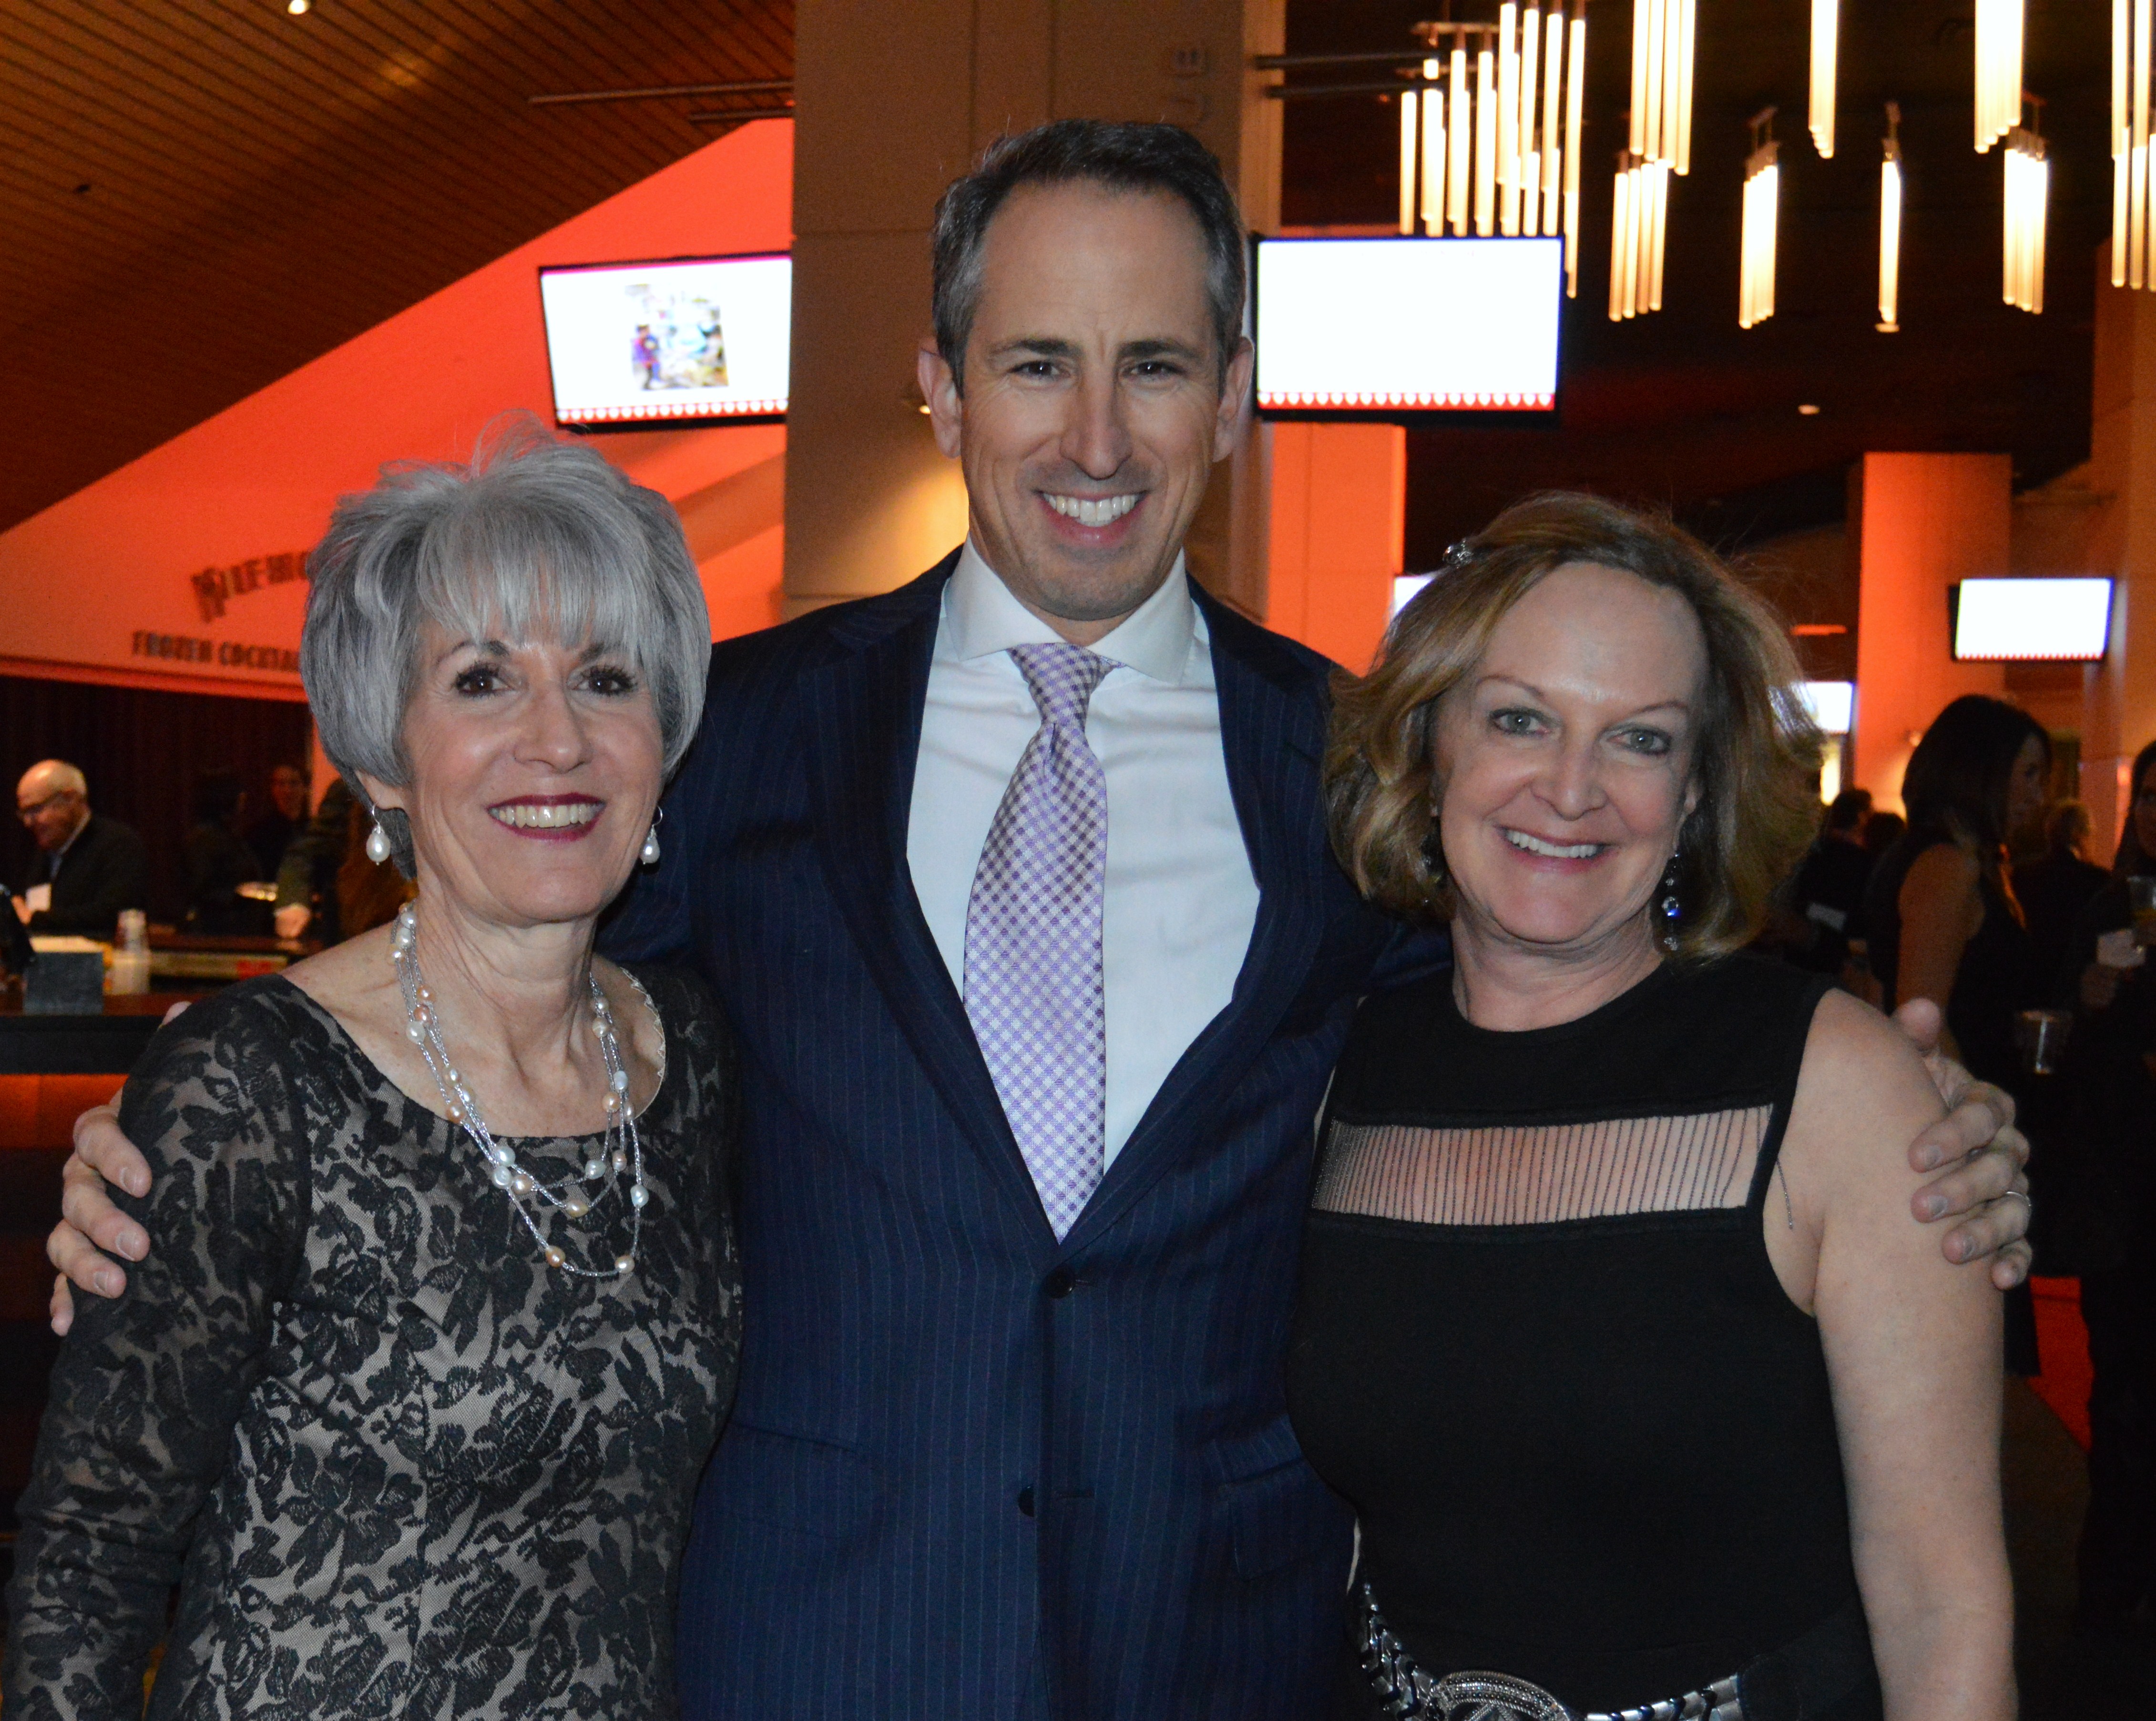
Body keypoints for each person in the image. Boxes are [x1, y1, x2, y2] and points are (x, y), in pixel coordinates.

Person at [45, 122, 2034, 1721]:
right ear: (938, 385)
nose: (1095, 438)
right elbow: (512, 977)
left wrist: (1905, 1132)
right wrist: (217, 1129)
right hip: (813, 1652)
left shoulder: (1351, 771)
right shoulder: (731, 736)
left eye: (1152, 366)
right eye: (1034, 364)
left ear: (1230, 400)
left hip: (1216, 1652)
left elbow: (1554, 1005)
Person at [6, 429, 741, 1719]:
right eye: (481, 680)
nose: (558, 738)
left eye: (606, 677)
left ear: (664, 737)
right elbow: (90, 1558)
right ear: (383, 756)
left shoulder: (693, 1058)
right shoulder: (252, 1083)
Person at [1297, 497, 2011, 1721]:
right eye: (1518, 719)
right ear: (1428, 745)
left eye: (1639, 740)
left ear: (1692, 795)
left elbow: (1942, 1605)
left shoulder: (1831, 1082)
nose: (1570, 788)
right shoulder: (1349, 1068)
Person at [2056, 737, 2156, 1641]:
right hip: (2124, 1184)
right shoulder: (2107, 904)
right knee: (2121, 1386)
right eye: (2150, 797)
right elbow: (2071, 1057)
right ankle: (2111, 1578)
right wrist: (2086, 1002)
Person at [11, 760, 149, 938]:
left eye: (36, 809)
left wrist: (35, 919)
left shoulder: (118, 845)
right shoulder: (44, 853)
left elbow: (113, 917)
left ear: (70, 799)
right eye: (24, 813)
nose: (28, 822)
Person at [2017, 798, 2111, 988]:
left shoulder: (2022, 875)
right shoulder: (2098, 880)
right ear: (2080, 835)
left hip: (2030, 979)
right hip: (2078, 983)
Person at [1787, 786, 1875, 974]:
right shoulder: (1859, 861)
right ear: (1861, 817)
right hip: (1838, 958)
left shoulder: (1809, 856)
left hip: (1804, 952)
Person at [179, 767, 268, 935]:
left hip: (230, 927)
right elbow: (200, 889)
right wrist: (238, 894)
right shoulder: (206, 839)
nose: (243, 796)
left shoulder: (225, 835)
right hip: (215, 931)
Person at [244, 760, 309, 881]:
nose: (287, 791)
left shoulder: (314, 830)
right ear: (273, 789)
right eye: (281, 784)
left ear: (305, 788)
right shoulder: (259, 833)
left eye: (294, 784)